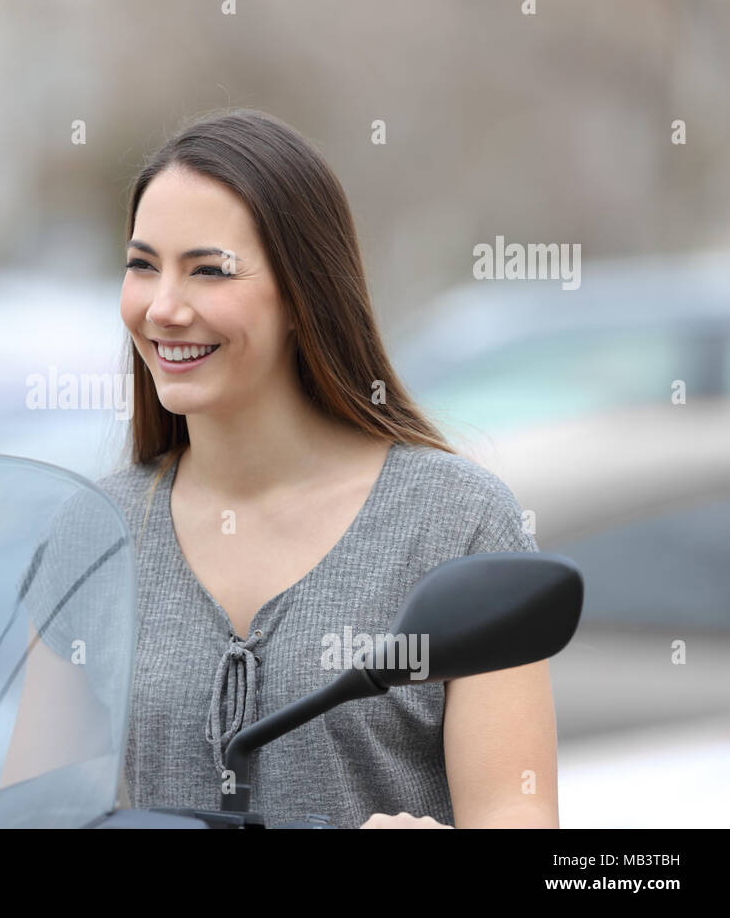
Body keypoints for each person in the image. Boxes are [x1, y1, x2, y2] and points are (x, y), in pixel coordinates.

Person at [81, 107, 556, 829]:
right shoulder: (96, 536)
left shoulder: (460, 525)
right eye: (143, 265)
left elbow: (520, 818)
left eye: (209, 271)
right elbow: (42, 809)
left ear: (305, 296)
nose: (164, 307)